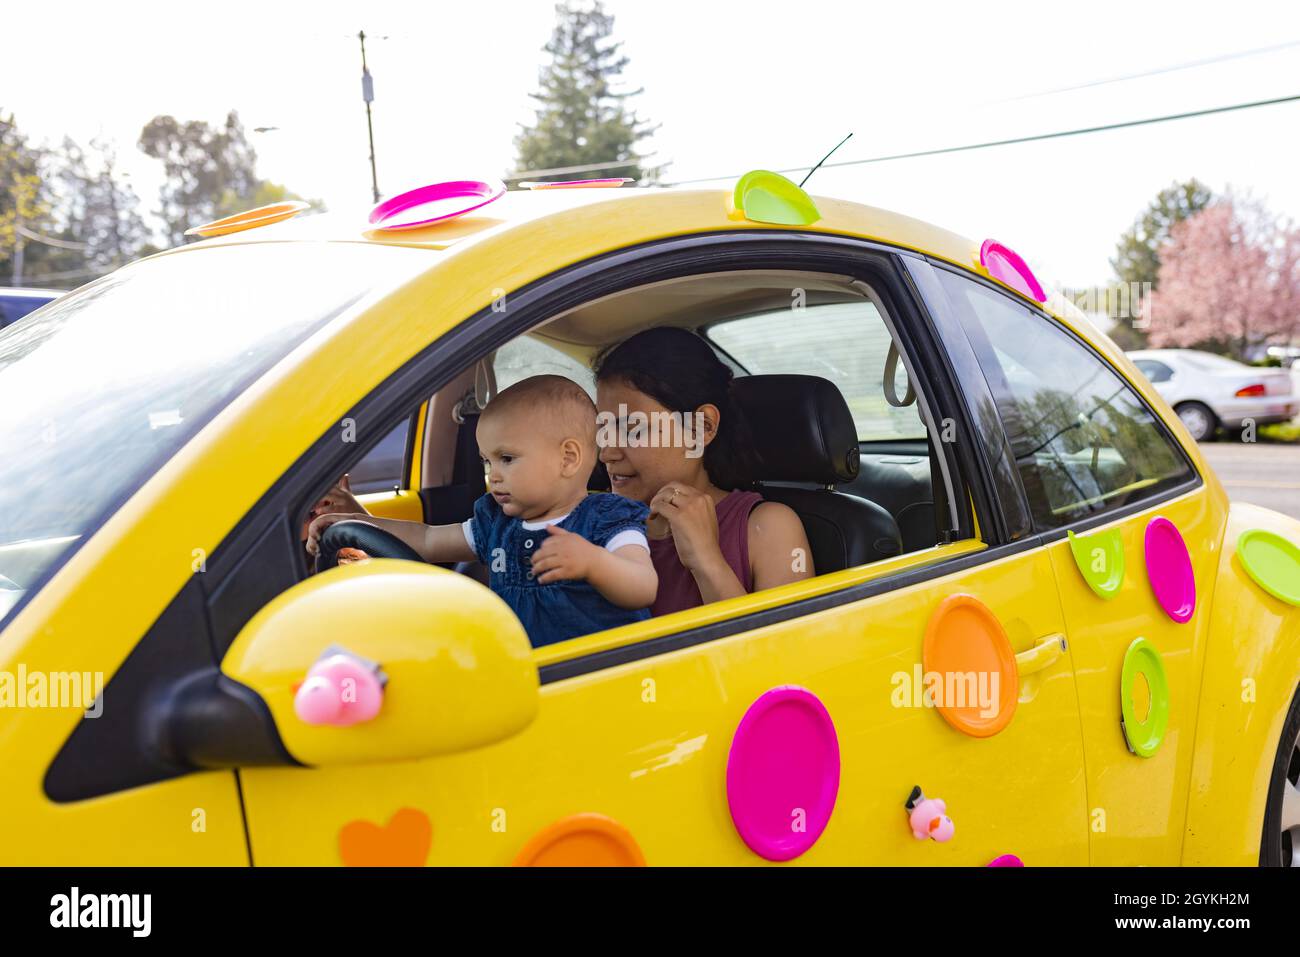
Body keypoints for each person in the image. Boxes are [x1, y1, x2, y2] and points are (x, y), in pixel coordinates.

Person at [307, 375, 657, 647]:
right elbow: (427, 540)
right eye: (487, 462)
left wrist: (593, 563)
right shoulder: (497, 522)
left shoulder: (608, 518)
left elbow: (643, 586)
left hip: (602, 676)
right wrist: (358, 522)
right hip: (524, 676)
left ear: (568, 458)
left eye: (507, 459)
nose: (494, 475)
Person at [592, 327, 813, 617]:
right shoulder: (592, 520)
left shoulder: (767, 529)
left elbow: (784, 657)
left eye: (632, 429)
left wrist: (706, 560)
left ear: (702, 426)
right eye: (603, 429)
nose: (606, 453)